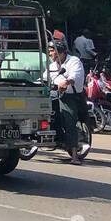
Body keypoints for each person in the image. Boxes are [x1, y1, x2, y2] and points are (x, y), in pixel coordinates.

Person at [48, 35, 87, 164]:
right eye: (49, 51)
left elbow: (75, 75)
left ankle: (74, 156)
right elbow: (45, 77)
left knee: (69, 121)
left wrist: (66, 82)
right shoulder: (52, 65)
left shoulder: (74, 61)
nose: (50, 54)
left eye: (52, 51)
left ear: (62, 52)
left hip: (71, 97)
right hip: (55, 94)